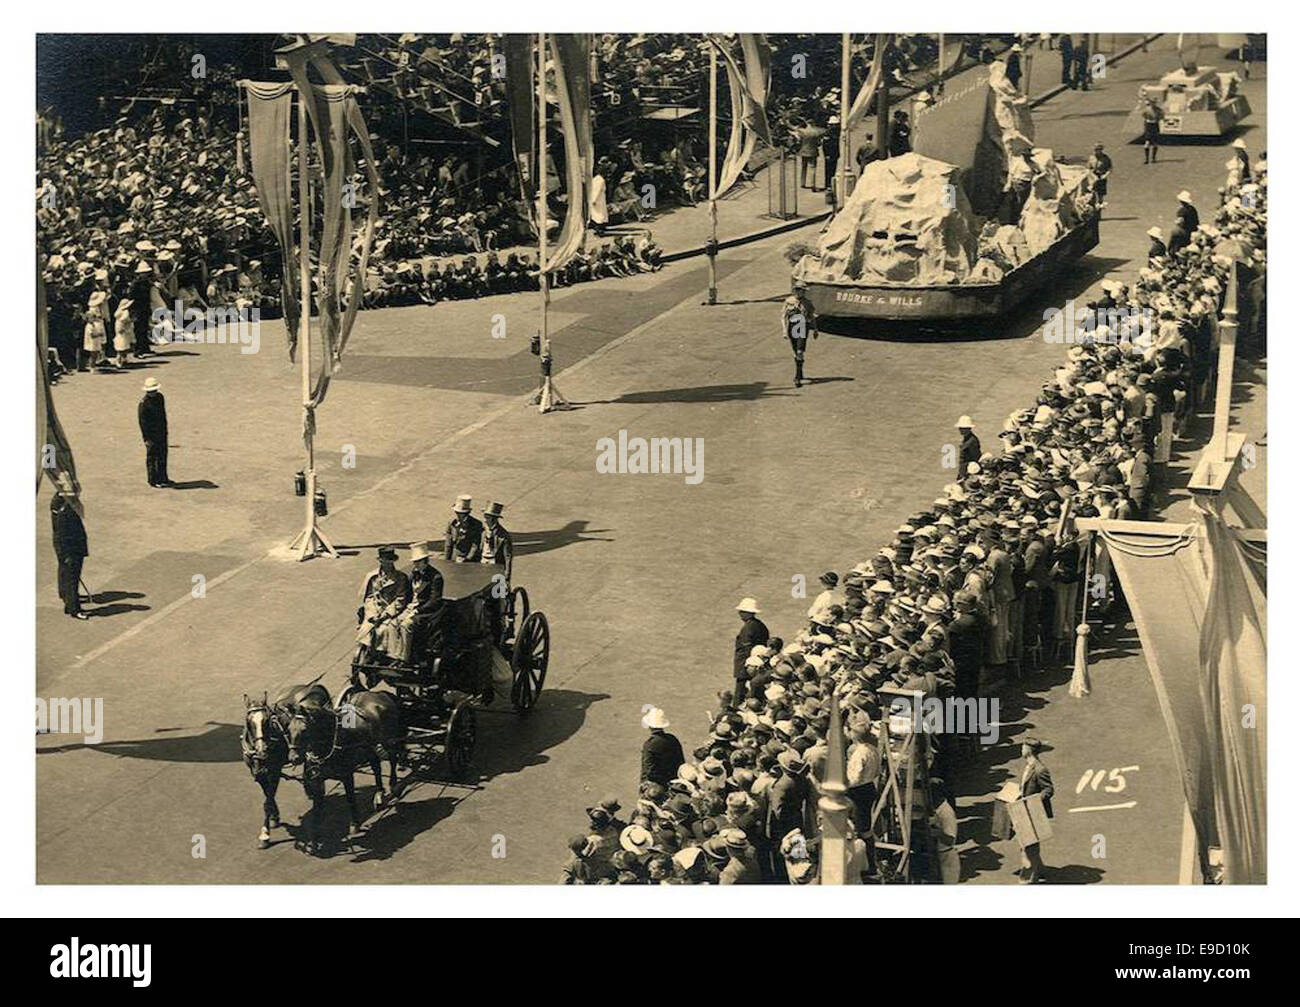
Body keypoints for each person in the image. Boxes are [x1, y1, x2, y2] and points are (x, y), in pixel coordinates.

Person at [356, 546, 413, 664]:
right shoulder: (372, 577)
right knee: (366, 630)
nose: (387, 565)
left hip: (390, 614)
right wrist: (372, 614)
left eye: (390, 562)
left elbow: (400, 600)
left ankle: (385, 658)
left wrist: (384, 615)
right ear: (380, 561)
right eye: (385, 561)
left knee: (384, 630)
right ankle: (367, 655)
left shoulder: (401, 578)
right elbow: (369, 598)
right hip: (374, 612)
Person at [1017, 737, 1055, 883]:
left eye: (1023, 747)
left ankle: (1028, 879)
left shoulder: (1040, 769)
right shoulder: (1029, 766)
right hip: (1025, 809)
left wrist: (1033, 801)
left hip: (1033, 811)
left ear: (1028, 750)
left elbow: (1048, 790)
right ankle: (1040, 870)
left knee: (1028, 846)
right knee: (1029, 844)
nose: (1021, 749)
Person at [50, 493, 89, 620]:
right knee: (72, 578)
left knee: (65, 574)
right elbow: (64, 534)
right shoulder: (66, 512)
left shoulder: (59, 507)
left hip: (66, 549)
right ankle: (74, 608)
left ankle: (67, 597)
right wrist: (66, 554)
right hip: (71, 549)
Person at [733, 597, 770, 705]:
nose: (739, 613)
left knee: (740, 689)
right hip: (755, 661)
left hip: (746, 663)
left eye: (742, 611)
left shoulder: (749, 627)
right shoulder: (760, 625)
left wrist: (749, 663)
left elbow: (746, 647)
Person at [783, 281, 818, 389]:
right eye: (797, 290)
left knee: (800, 351)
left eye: (801, 290)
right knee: (795, 352)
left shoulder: (808, 303)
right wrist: (784, 330)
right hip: (792, 327)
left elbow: (811, 316)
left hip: (802, 327)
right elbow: (784, 316)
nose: (799, 292)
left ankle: (797, 377)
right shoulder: (789, 301)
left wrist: (815, 329)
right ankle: (800, 369)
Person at [137, 376, 170, 487]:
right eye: (151, 391)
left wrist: (165, 430)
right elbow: (143, 423)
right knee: (152, 457)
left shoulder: (160, 398)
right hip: (151, 434)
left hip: (161, 431)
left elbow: (163, 415)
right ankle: (153, 479)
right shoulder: (144, 404)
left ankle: (163, 477)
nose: (153, 393)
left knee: (163, 455)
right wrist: (146, 438)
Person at [640, 707, 685, 786]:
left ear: (650, 726)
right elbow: (681, 761)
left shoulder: (649, 744)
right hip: (675, 781)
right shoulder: (672, 739)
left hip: (658, 785)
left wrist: (642, 784)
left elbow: (647, 770)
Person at [479, 500, 513, 582]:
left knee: (494, 588)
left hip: (494, 563)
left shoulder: (503, 535)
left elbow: (507, 556)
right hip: (482, 561)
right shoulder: (483, 531)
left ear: (494, 519)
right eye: (485, 517)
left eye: (487, 518)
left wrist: (507, 574)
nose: (485, 520)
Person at [444, 494, 484, 563]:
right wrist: (446, 560)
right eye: (457, 513)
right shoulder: (451, 524)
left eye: (461, 513)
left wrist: (467, 559)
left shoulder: (476, 524)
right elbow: (448, 544)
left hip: (470, 560)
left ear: (467, 513)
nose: (458, 515)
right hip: (455, 558)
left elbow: (475, 545)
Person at [1087, 143, 1112, 207]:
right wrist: (1091, 175)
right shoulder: (1091, 157)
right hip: (1093, 177)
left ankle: (1100, 207)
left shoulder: (1105, 158)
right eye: (1096, 149)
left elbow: (1109, 168)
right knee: (1091, 192)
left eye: (1099, 149)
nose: (1097, 151)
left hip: (1101, 176)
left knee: (1100, 194)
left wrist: (1105, 175)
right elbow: (1088, 168)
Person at [1141, 95, 1161, 164]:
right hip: (1149, 125)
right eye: (1152, 102)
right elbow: (1143, 115)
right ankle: (1147, 159)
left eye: (1154, 102)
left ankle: (1153, 158)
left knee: (1155, 143)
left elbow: (1161, 116)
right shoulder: (1147, 109)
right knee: (1147, 143)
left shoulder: (1158, 110)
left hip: (1154, 125)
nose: (1153, 104)